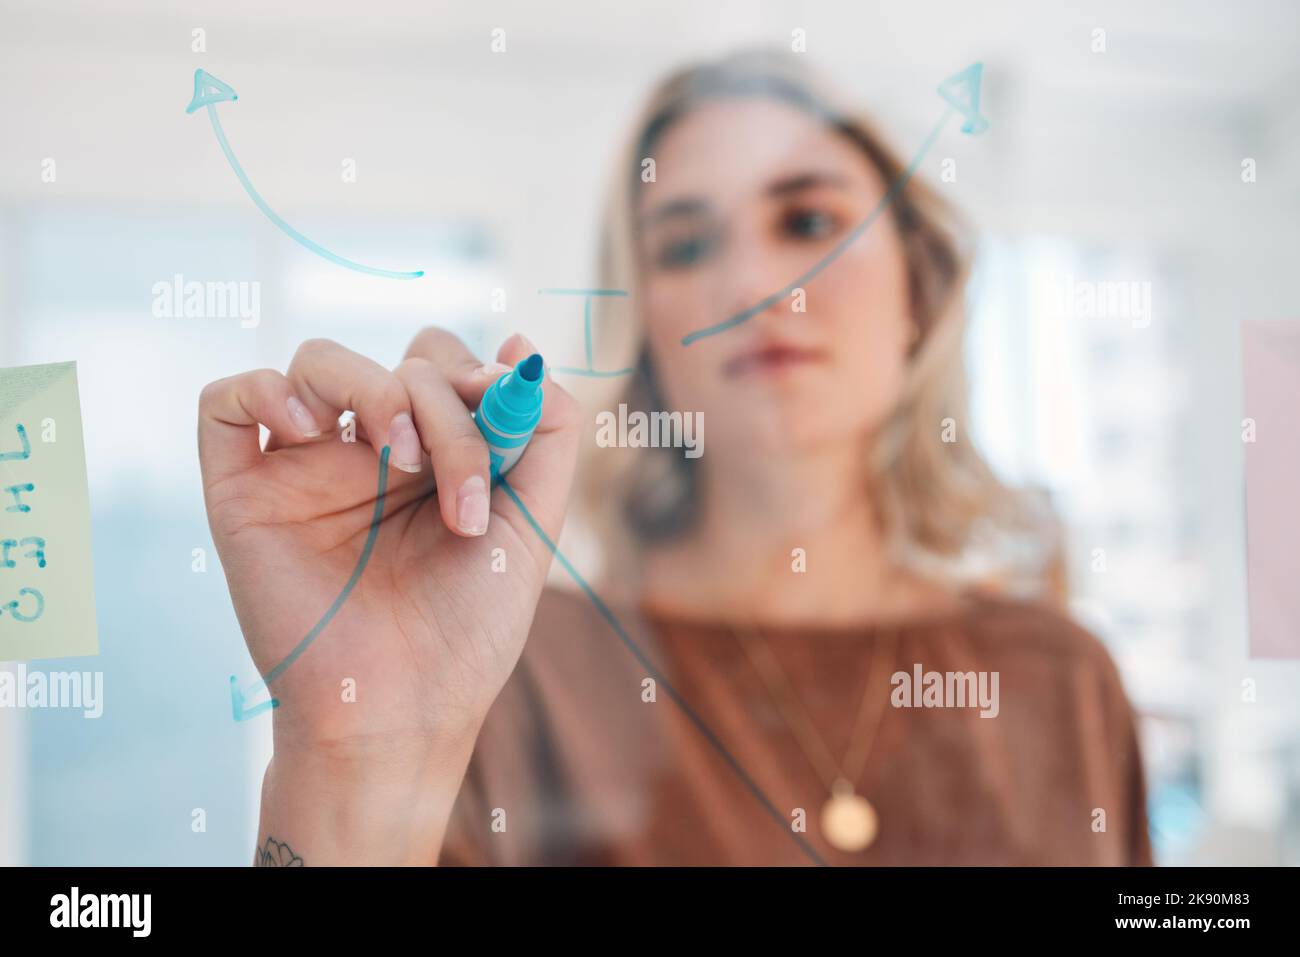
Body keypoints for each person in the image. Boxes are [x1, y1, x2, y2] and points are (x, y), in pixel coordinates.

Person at [198, 50, 1151, 866]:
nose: (748, 282)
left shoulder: (1062, 682)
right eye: (687, 244)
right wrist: (346, 749)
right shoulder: (503, 667)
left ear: (916, 289)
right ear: (649, 331)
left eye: (809, 221)